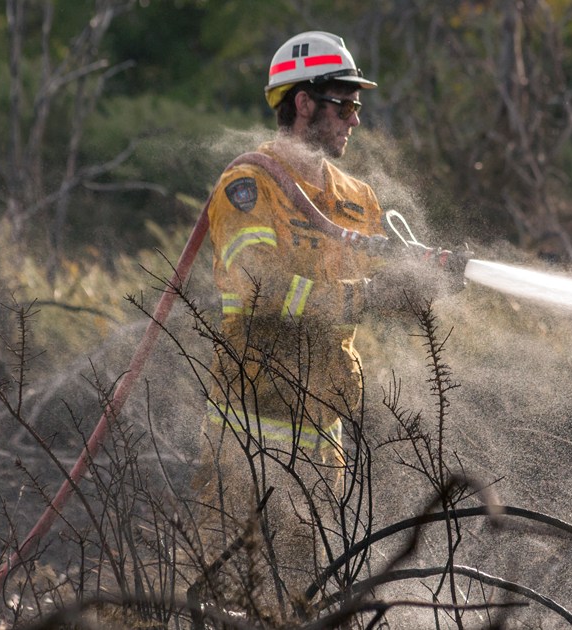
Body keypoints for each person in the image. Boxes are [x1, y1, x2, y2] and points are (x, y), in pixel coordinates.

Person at [187, 30, 447, 619]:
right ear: (302, 103)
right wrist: (367, 296)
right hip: (246, 440)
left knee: (311, 608)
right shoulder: (249, 187)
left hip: (323, 445)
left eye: (357, 104)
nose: (355, 117)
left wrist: (427, 279)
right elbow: (261, 288)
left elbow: (386, 292)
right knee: (231, 607)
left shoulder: (357, 198)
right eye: (343, 102)